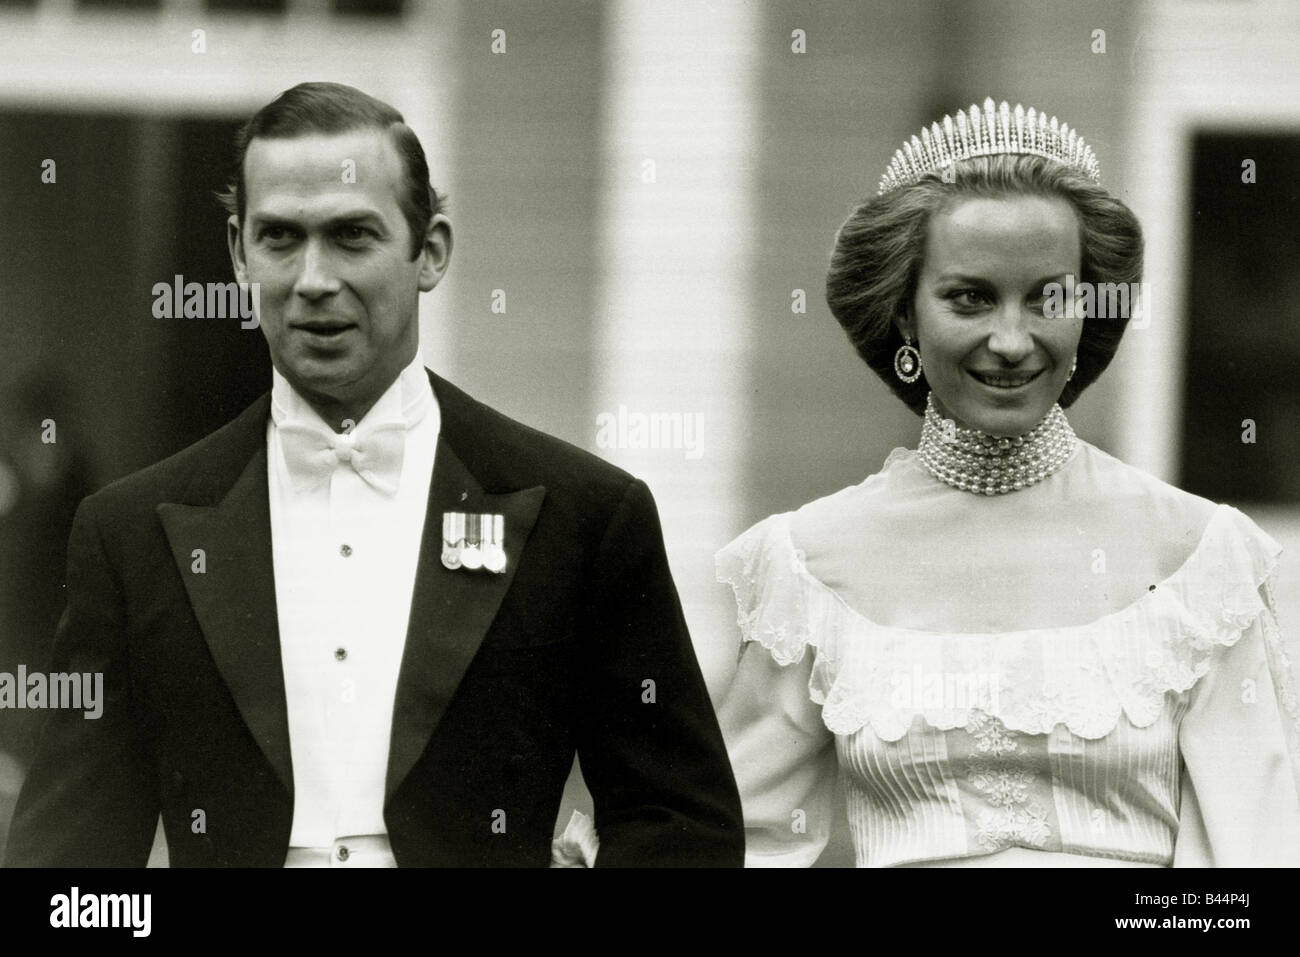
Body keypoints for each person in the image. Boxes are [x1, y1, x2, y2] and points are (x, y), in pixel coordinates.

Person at [4, 81, 743, 868]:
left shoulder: (586, 516)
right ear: (236, 252)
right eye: (281, 238)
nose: (314, 279)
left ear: (431, 252)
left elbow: (682, 823)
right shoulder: (132, 531)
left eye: (352, 235)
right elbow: (64, 863)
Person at [716, 98, 1300, 867]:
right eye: (970, 297)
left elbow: (1253, 865)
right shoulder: (808, 562)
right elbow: (743, 842)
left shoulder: (1198, 555)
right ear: (903, 315)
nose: (1013, 340)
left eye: (1049, 297)